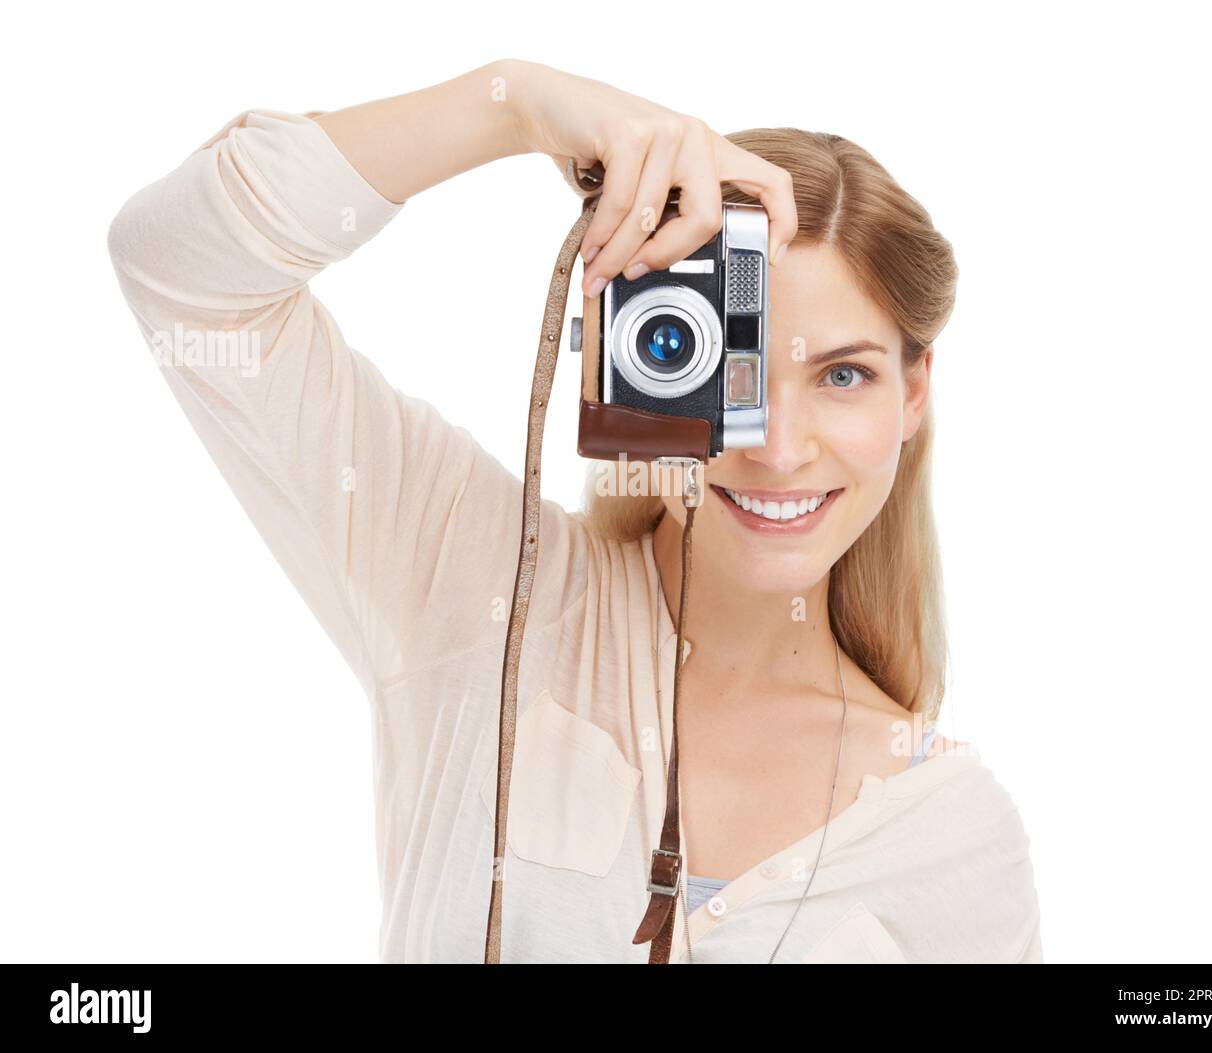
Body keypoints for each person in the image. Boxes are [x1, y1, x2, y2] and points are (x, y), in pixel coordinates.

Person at [107, 57, 1042, 963]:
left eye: (844, 374)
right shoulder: (477, 590)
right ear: (634, 358)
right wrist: (514, 102)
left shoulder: (956, 844)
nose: (779, 445)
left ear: (914, 394)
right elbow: (185, 267)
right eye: (728, 363)